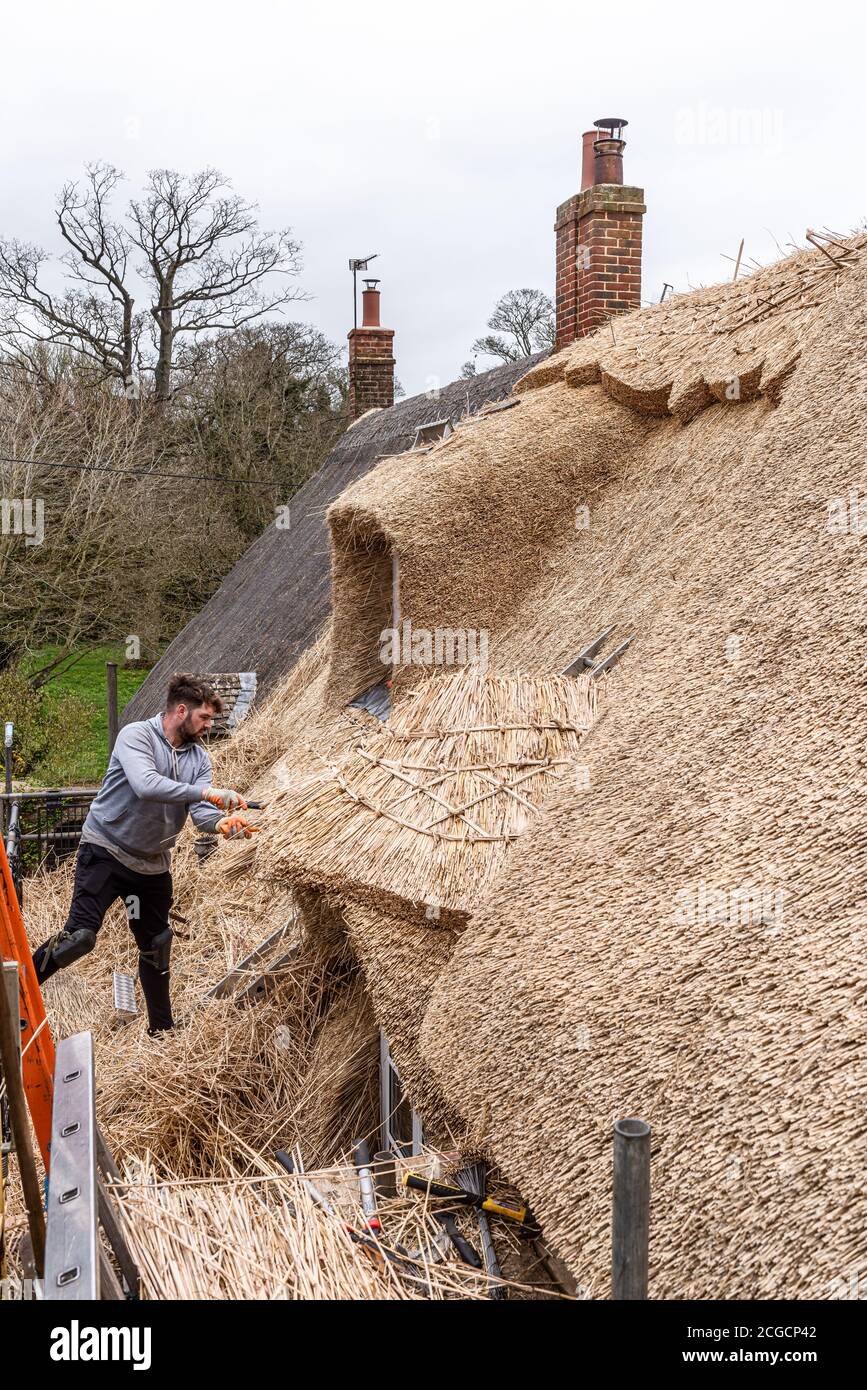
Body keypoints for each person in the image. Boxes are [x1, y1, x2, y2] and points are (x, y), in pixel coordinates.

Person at [31, 673, 257, 1035]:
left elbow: (202, 817)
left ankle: (161, 1031)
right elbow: (146, 784)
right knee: (79, 938)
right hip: (106, 851)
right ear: (181, 710)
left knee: (156, 945)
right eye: (204, 718)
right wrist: (206, 793)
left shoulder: (198, 758)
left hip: (151, 866)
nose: (209, 726)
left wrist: (222, 825)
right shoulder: (136, 736)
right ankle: (19, 992)